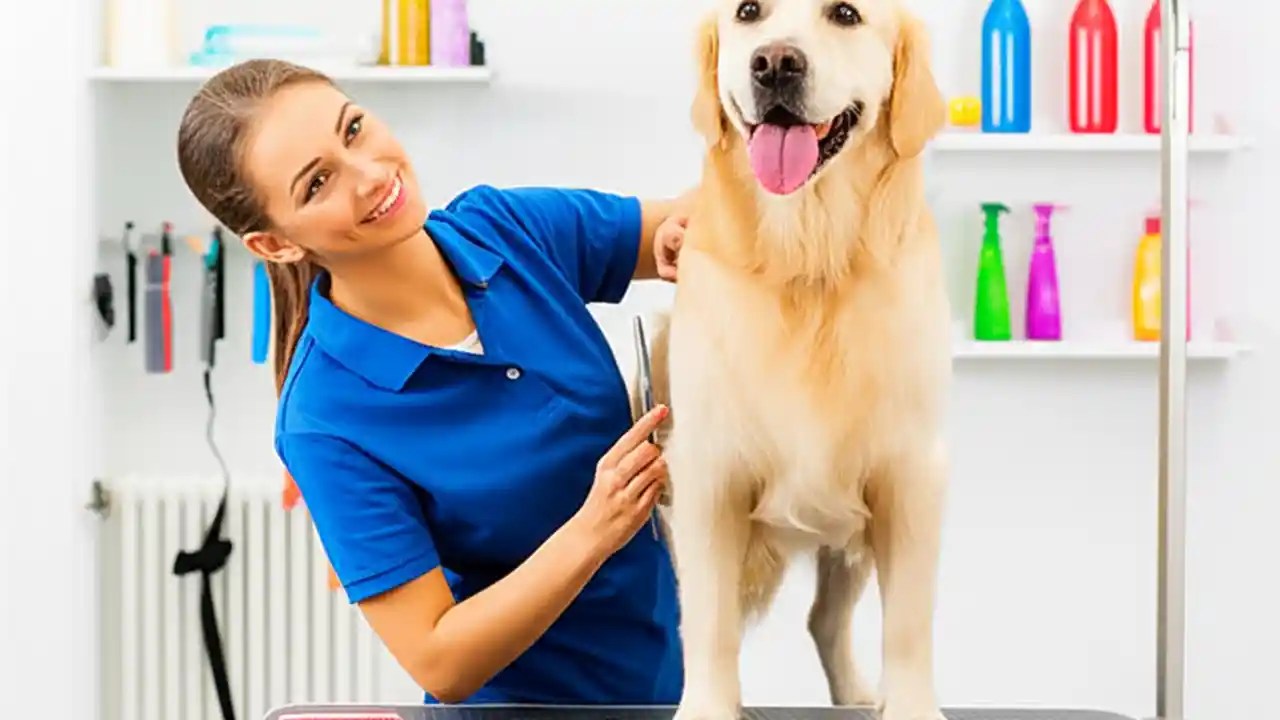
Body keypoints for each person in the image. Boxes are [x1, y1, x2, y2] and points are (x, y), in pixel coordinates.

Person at [175, 58, 692, 706]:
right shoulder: (325, 421)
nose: (369, 175)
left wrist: (689, 234)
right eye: (318, 183)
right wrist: (596, 527)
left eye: (354, 129)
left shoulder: (505, 229)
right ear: (275, 246)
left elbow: (686, 222)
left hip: (667, 690)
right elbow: (441, 661)